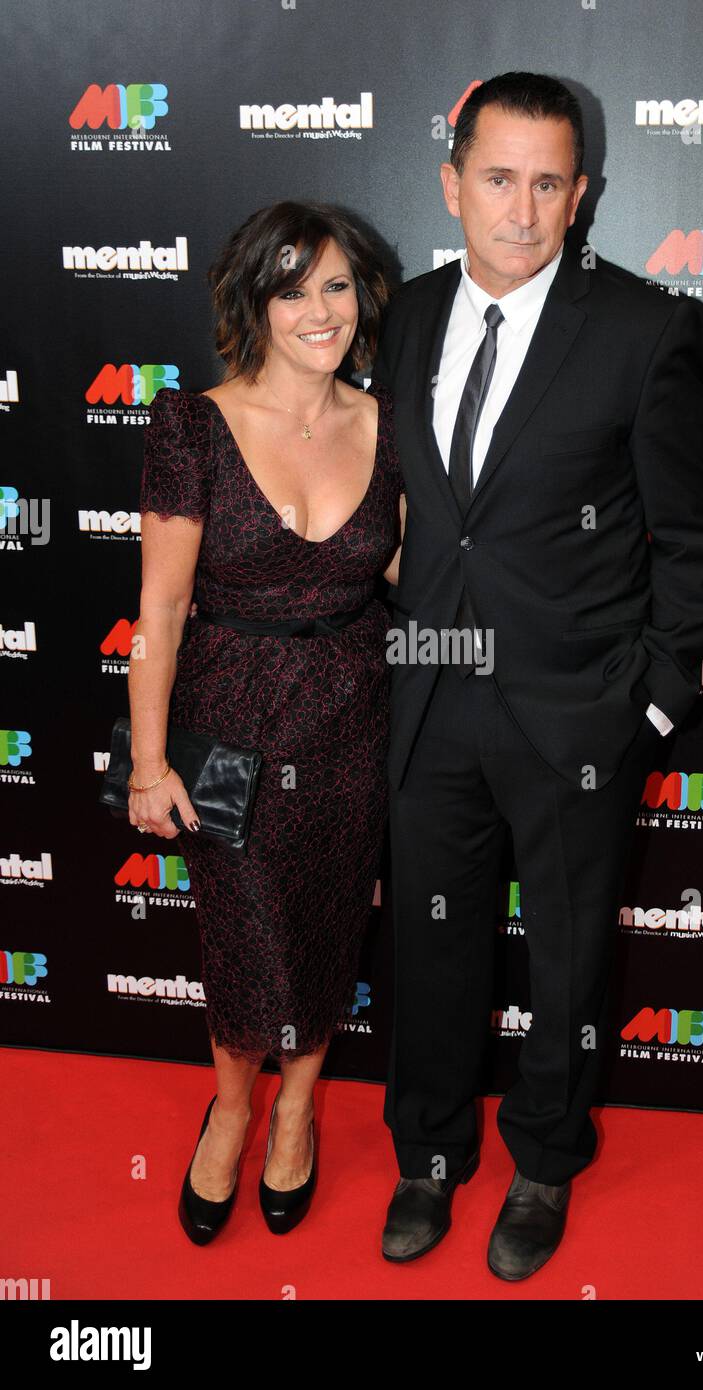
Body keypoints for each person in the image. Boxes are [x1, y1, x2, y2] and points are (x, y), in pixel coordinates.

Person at [370, 72, 703, 1279]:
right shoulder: (406, 317)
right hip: (427, 691)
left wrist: (654, 698)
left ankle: (541, 1159)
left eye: (546, 183)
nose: (519, 210)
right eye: (495, 178)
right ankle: (426, 1152)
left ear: (579, 195)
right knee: (429, 944)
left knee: (569, 955)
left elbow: (689, 536)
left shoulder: (642, 328)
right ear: (450, 182)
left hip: (577, 706)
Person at [128, 201, 404, 1244]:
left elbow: (411, 576)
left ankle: (297, 1107)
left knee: (329, 926)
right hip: (228, 725)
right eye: (293, 287)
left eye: (335, 285)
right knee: (244, 936)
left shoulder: (386, 425)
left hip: (350, 716)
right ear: (254, 299)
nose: (318, 310)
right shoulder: (188, 423)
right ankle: (234, 1103)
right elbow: (158, 609)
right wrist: (150, 761)